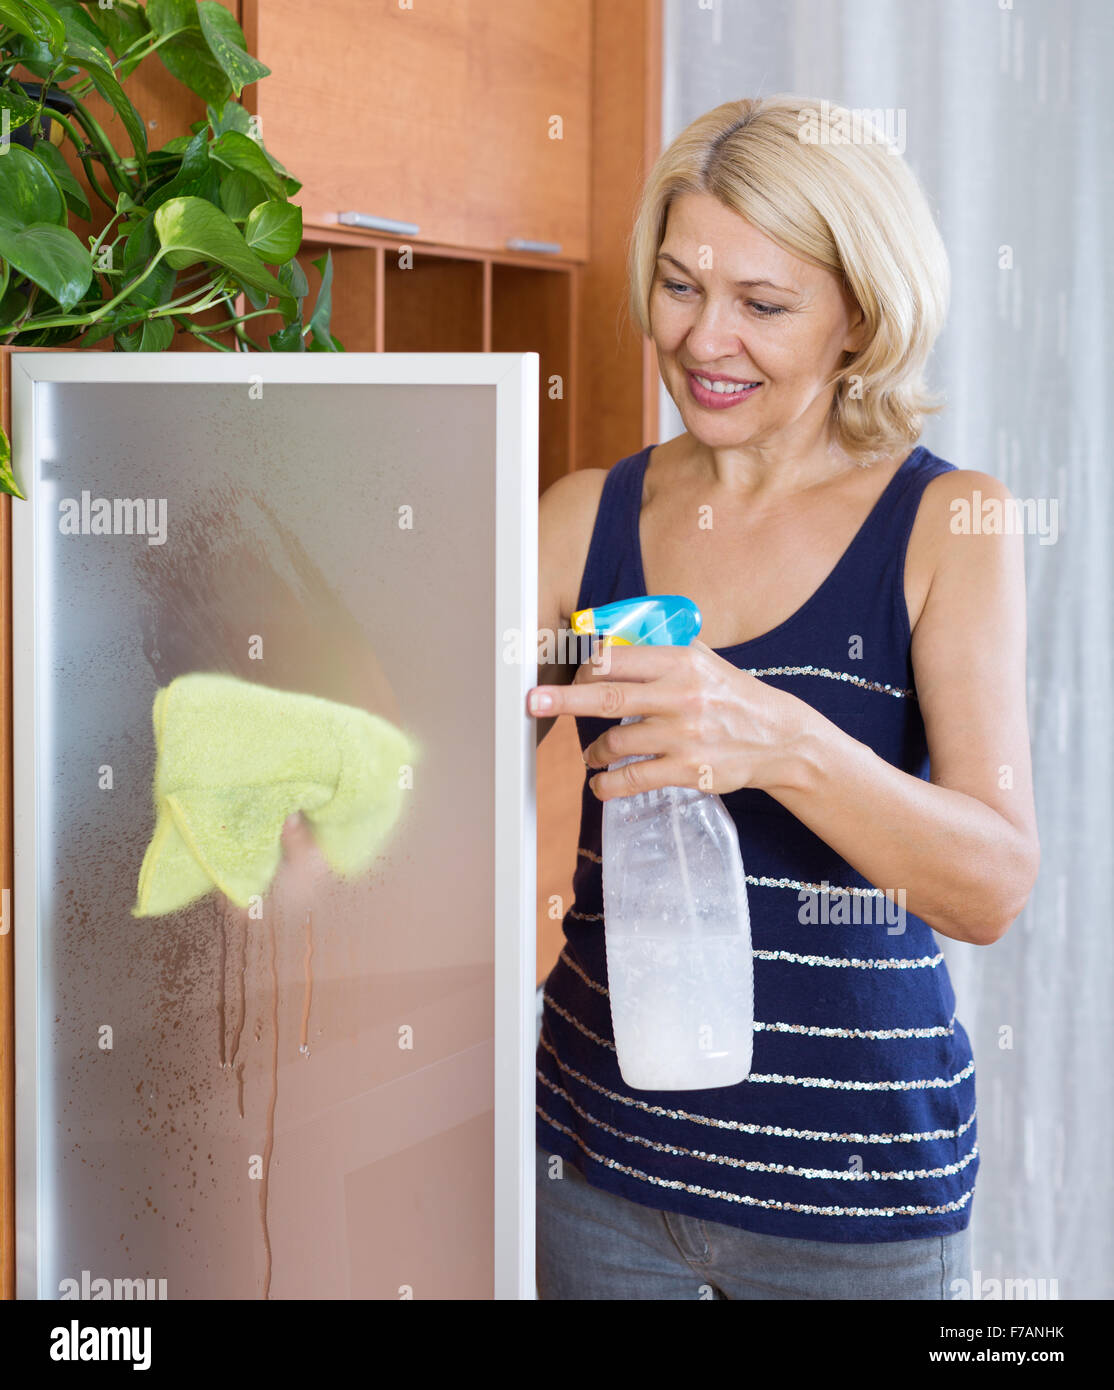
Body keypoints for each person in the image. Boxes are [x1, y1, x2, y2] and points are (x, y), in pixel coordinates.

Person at [526, 94, 1039, 1301]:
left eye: (762, 304)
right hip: (600, 1171)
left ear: (857, 319)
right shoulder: (582, 519)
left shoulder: (945, 521)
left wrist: (778, 739)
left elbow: (992, 883)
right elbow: (427, 758)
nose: (705, 340)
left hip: (855, 1201)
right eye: (678, 286)